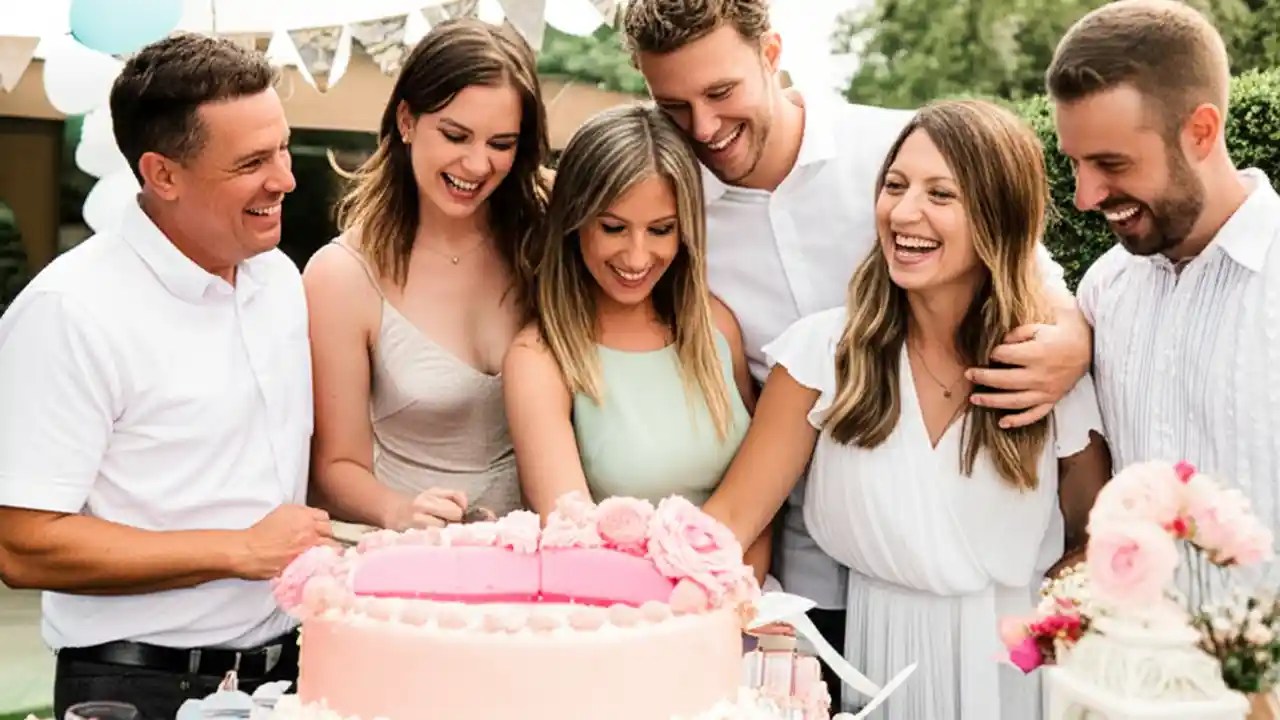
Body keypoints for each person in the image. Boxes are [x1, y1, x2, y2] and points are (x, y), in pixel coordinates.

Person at [620, 0, 1095, 705]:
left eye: (721, 93)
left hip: (1011, 654)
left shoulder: (895, 145)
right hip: (816, 586)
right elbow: (727, 516)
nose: (704, 128)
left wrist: (1074, 342)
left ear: (771, 53)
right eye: (674, 106)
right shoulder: (671, 207)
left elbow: (1030, 273)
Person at [701, 99, 1111, 719]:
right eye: (895, 186)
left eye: (941, 194)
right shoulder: (823, 356)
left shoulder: (1044, 368)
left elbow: (1098, 537)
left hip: (1020, 677)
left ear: (996, 218)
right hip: (876, 662)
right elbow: (728, 521)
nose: (904, 212)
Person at [0, 34, 327, 719]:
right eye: (252, 162)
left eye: (281, 149)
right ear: (162, 174)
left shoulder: (279, 280)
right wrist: (239, 551)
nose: (285, 179)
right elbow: (22, 544)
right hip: (134, 690)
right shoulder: (70, 312)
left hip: (288, 673)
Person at [302, 19, 550, 534]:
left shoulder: (548, 239)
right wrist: (398, 511)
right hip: (413, 558)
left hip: (545, 549)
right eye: (456, 135)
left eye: (501, 143)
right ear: (407, 121)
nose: (477, 164)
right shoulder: (342, 276)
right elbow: (333, 468)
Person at [502, 103, 770, 573]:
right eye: (613, 228)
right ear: (574, 220)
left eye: (661, 230)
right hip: (625, 621)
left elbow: (760, 505)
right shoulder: (539, 359)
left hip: (747, 613)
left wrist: (740, 608)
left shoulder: (716, 326)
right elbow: (575, 546)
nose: (637, 255)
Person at [1049, 0, 1280, 535]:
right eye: (1075, 163)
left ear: (1201, 132)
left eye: (1112, 163)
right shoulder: (1104, 291)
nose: (1085, 196)